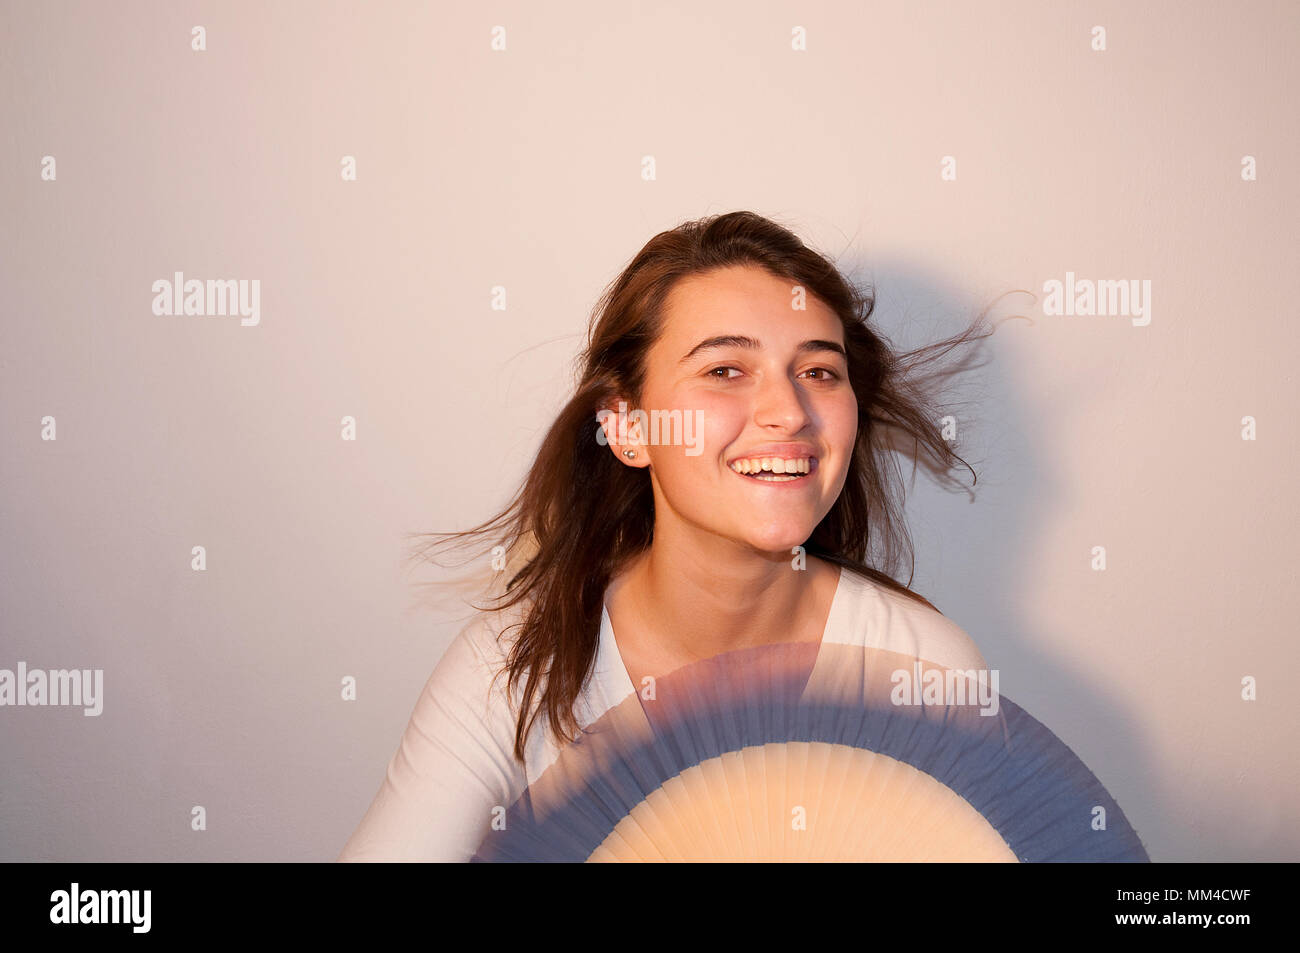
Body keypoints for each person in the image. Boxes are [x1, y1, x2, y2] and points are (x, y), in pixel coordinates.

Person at [338, 210, 996, 862]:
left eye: (820, 371)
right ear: (626, 427)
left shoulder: (921, 670)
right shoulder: (514, 668)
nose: (789, 412)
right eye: (725, 370)